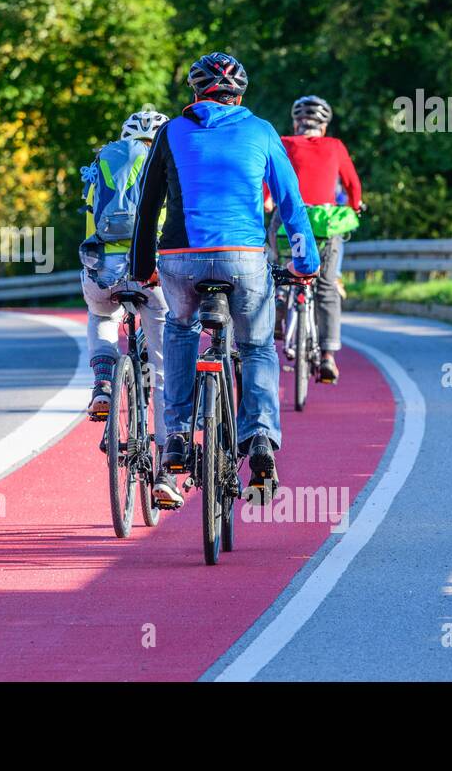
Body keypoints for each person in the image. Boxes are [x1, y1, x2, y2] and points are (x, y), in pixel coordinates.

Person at [130, 53, 319, 509]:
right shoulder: (263, 131)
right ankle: (260, 443)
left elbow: (148, 204)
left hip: (180, 259)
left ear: (196, 94)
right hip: (245, 258)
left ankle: (175, 436)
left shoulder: (171, 132)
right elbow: (292, 204)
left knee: (180, 328)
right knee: (256, 347)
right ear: (241, 94)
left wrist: (141, 268)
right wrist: (305, 262)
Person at [80, 110, 170, 449]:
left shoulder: (105, 163)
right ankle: (166, 457)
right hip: (153, 268)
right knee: (162, 371)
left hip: (105, 267)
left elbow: (90, 219)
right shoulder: (166, 163)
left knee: (101, 313)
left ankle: (103, 380)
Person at [270, 95, 363, 383]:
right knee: (326, 286)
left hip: (288, 223)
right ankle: (327, 355)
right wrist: (355, 204)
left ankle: (278, 312)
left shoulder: (284, 143)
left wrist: (264, 201)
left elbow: (268, 178)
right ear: (323, 126)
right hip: (326, 225)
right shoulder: (335, 146)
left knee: (277, 271)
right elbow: (352, 185)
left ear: (296, 123)